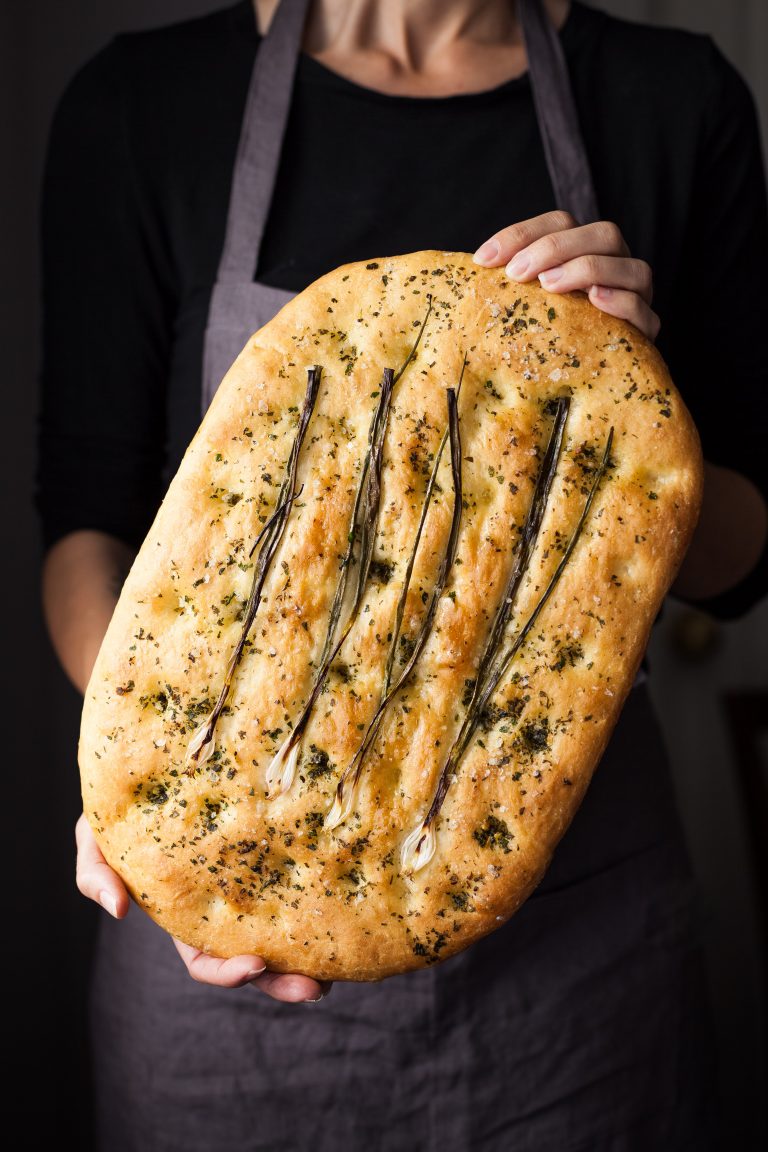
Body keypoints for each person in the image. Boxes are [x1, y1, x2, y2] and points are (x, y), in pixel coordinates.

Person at [38, 0, 767, 1148]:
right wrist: (150, 777)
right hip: (211, 971)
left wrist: (636, 422)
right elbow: (86, 527)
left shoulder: (673, 99)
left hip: (580, 994)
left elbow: (741, 556)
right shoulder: (142, 107)